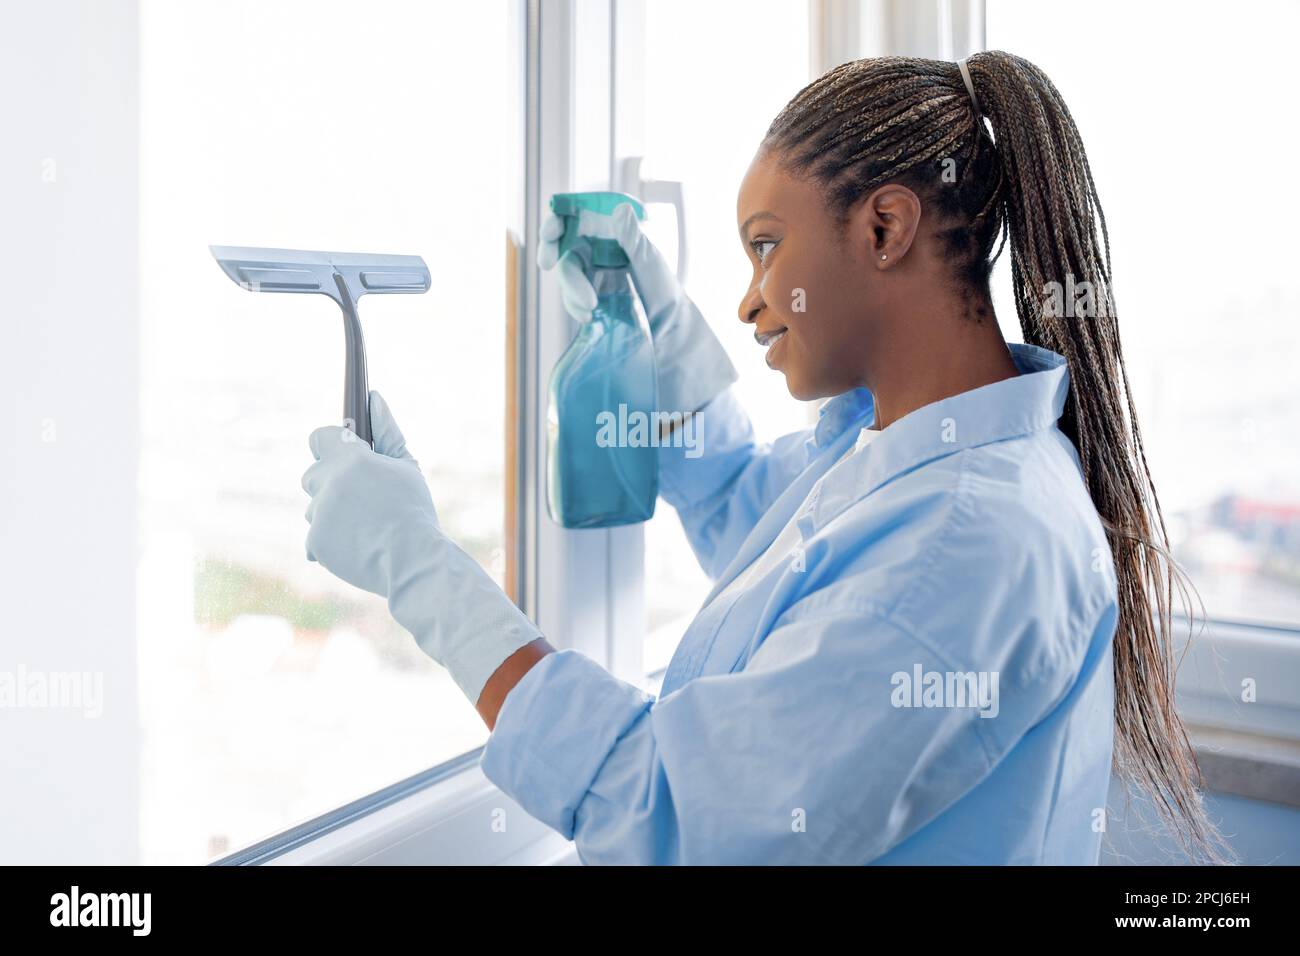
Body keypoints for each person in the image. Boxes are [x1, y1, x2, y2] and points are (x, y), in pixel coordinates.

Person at [300, 51, 1225, 864]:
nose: (751, 301)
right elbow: (757, 519)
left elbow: (673, 818)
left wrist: (422, 573)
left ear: (883, 229)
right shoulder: (913, 453)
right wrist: (657, 325)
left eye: (767, 247)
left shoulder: (977, 541)